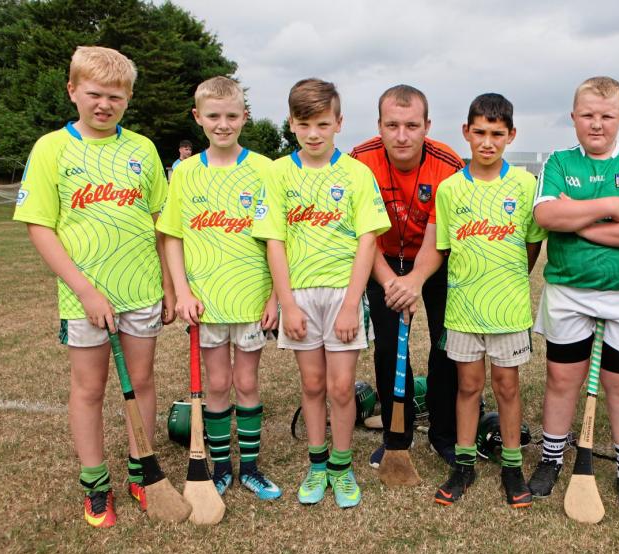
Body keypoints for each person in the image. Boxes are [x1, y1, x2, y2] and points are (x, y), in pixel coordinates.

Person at [12, 46, 174, 528]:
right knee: (89, 388)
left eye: (116, 97)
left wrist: (166, 284)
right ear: (72, 91)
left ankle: (140, 474)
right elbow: (40, 226)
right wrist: (84, 289)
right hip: (85, 297)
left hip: (141, 291)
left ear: (129, 99)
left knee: (141, 383)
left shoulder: (142, 148)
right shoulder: (51, 148)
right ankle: (94, 484)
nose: (105, 104)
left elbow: (160, 221)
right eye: (95, 94)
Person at [531, 76, 619, 516]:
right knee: (561, 379)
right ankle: (551, 458)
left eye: (606, 116)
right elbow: (547, 213)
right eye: (587, 115)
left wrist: (581, 222)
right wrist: (609, 206)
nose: (596, 124)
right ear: (573, 118)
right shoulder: (558, 160)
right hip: (568, 291)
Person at [253, 78, 390, 508]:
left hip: (342, 295)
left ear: (339, 123)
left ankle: (341, 466)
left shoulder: (356, 174)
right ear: (291, 124)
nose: (314, 133)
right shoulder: (277, 173)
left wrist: (352, 305)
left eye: (323, 124)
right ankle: (317, 464)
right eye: (305, 124)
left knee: (342, 387)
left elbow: (368, 241)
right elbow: (274, 241)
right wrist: (287, 302)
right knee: (312, 384)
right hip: (300, 296)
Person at [156, 76, 281, 500]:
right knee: (217, 384)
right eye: (213, 116)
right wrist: (182, 291)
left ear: (245, 116)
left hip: (250, 301)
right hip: (205, 303)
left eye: (232, 115)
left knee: (247, 382)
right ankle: (221, 467)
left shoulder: (266, 169)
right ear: (198, 118)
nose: (223, 124)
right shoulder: (186, 172)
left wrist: (274, 296)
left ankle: (250, 468)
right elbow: (172, 235)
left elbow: (279, 239)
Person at [431, 93, 545, 507]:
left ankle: (513, 467)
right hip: (462, 309)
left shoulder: (526, 185)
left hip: (509, 309)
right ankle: (463, 465)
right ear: (465, 132)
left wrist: (509, 282)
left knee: (507, 387)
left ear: (511, 135)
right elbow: (444, 248)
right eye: (479, 132)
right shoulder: (449, 190)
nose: (487, 142)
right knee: (468, 386)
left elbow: (531, 249)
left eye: (497, 133)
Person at [351, 85, 464, 467]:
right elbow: (362, 235)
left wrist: (415, 280)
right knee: (387, 346)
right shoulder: (360, 161)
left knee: (446, 344)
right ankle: (396, 435)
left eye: (412, 125)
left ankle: (443, 432)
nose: (402, 135)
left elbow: (444, 234)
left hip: (433, 260)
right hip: (380, 260)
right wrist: (390, 282)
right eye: (392, 125)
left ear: (427, 125)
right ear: (379, 125)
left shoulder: (447, 163)